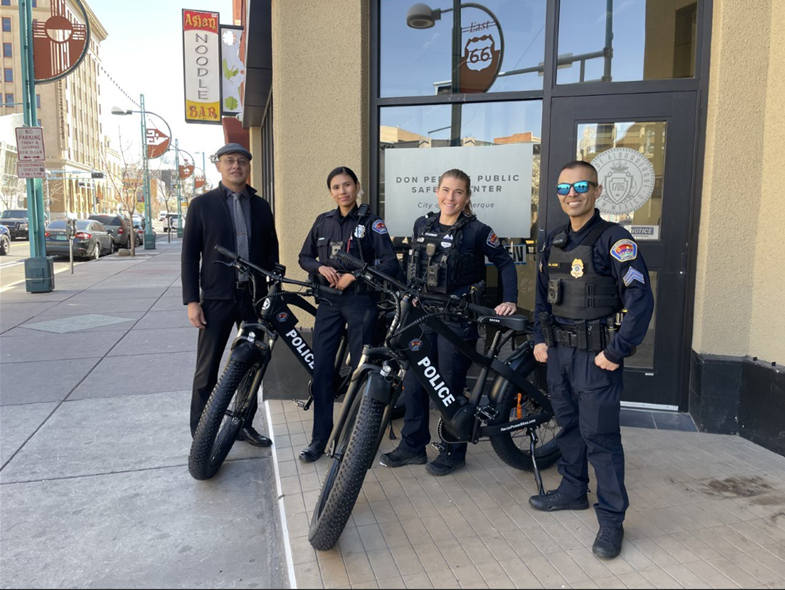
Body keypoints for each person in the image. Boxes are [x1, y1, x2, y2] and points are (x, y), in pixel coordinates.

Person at [530, 160, 654, 559]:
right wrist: (539, 339)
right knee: (567, 426)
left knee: (600, 439)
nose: (572, 194)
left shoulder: (614, 240)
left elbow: (640, 302)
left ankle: (612, 521)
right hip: (559, 355)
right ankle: (571, 491)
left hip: (596, 357)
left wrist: (616, 352)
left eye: (581, 186)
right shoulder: (554, 240)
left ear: (597, 191)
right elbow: (541, 295)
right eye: (564, 188)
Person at [380, 168, 518, 476]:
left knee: (449, 386)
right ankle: (412, 446)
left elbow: (505, 262)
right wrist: (408, 295)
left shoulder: (478, 231)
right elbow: (411, 267)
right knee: (415, 383)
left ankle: (454, 452)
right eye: (445, 190)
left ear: (467, 197)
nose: (450, 197)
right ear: (437, 191)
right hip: (423, 317)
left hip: (457, 322)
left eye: (457, 192)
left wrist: (508, 298)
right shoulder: (422, 224)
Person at [298, 166, 398, 462]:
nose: (342, 191)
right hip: (328, 303)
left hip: (359, 302)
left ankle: (356, 441)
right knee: (322, 371)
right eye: (336, 187)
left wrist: (355, 275)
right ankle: (320, 439)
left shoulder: (372, 223)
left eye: (347, 185)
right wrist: (320, 268)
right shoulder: (322, 221)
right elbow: (304, 257)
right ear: (331, 192)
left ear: (357, 187)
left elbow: (391, 263)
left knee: (361, 372)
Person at [181, 143, 279, 446]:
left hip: (253, 300)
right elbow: (189, 255)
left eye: (241, 161)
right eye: (229, 161)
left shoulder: (261, 206)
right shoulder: (202, 204)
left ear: (248, 167)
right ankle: (201, 434)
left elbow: (272, 250)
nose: (236, 166)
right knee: (207, 371)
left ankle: (243, 425)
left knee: (250, 367)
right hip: (216, 299)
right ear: (219, 166)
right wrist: (192, 301)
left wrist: (271, 293)